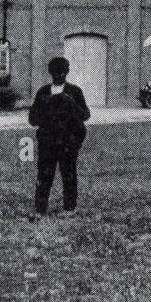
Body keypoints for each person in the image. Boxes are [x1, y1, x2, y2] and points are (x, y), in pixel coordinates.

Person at [28, 56, 90, 216]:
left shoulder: (74, 92)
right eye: (56, 72)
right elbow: (32, 119)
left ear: (67, 72)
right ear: (51, 73)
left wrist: (71, 103)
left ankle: (70, 207)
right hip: (47, 141)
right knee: (44, 174)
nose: (60, 75)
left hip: (68, 142)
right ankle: (40, 209)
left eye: (63, 72)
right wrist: (44, 105)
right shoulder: (42, 92)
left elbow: (85, 115)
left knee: (68, 173)